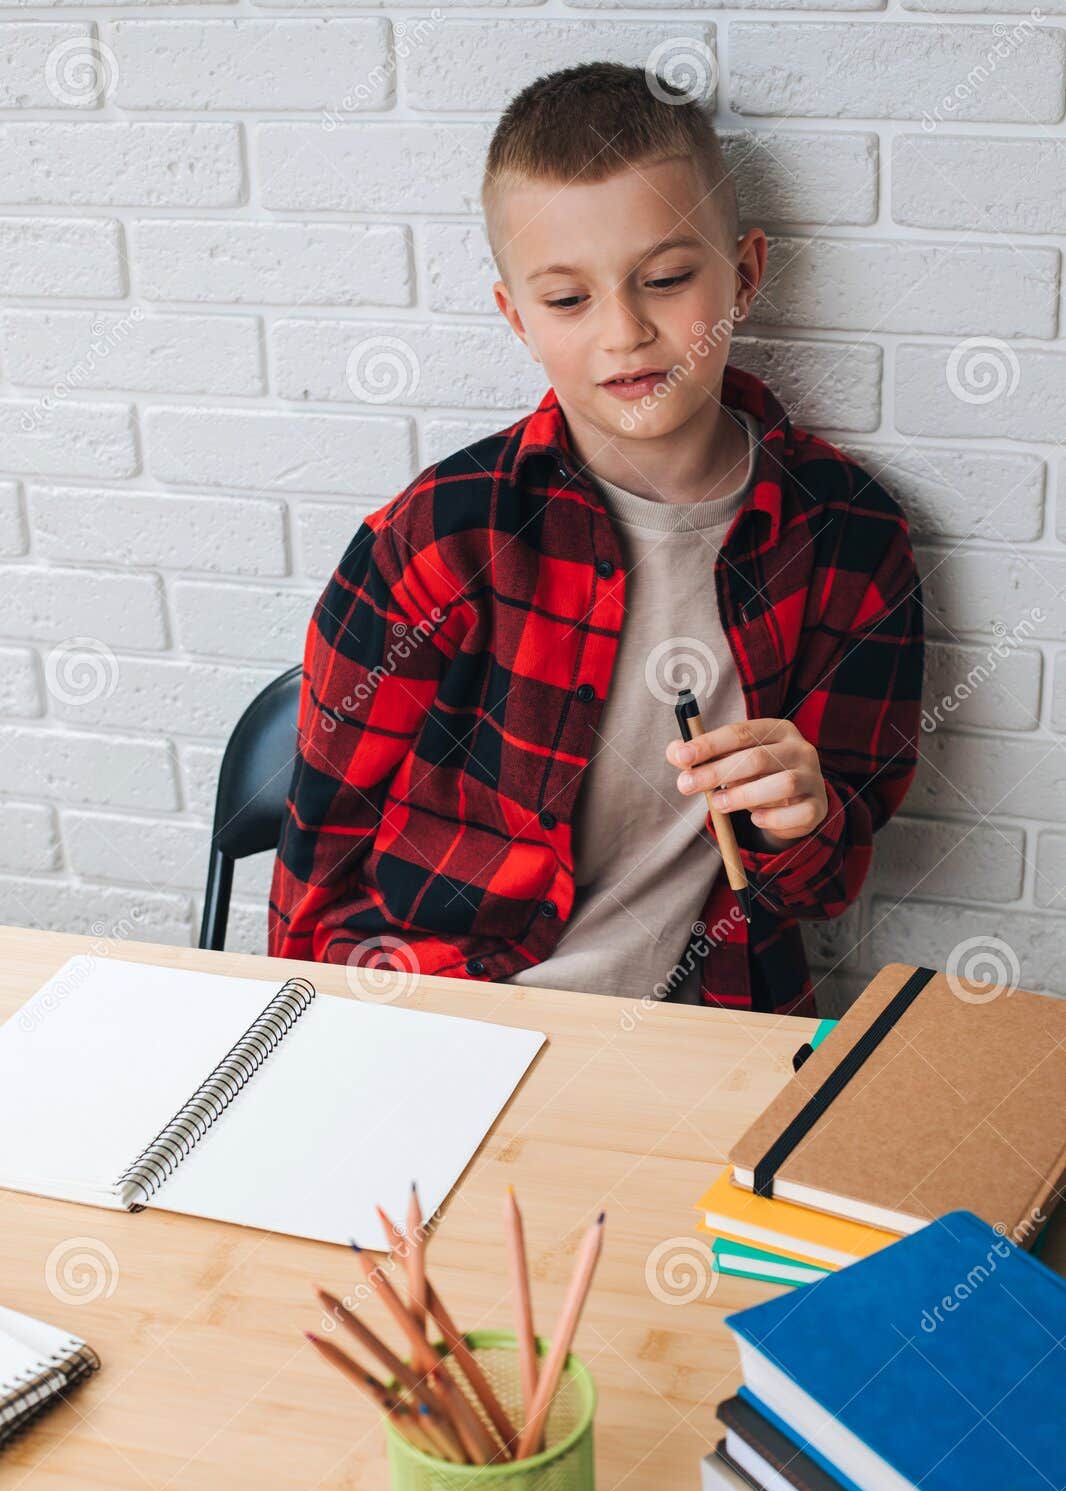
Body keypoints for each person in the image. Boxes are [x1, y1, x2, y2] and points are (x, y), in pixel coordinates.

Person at [268, 60, 924, 1017]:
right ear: (517, 319)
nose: (626, 332)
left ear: (744, 275)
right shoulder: (438, 538)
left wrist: (805, 818)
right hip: (442, 1015)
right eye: (570, 301)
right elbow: (322, 847)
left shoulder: (851, 539)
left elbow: (824, 887)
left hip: (704, 1029)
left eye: (663, 279)